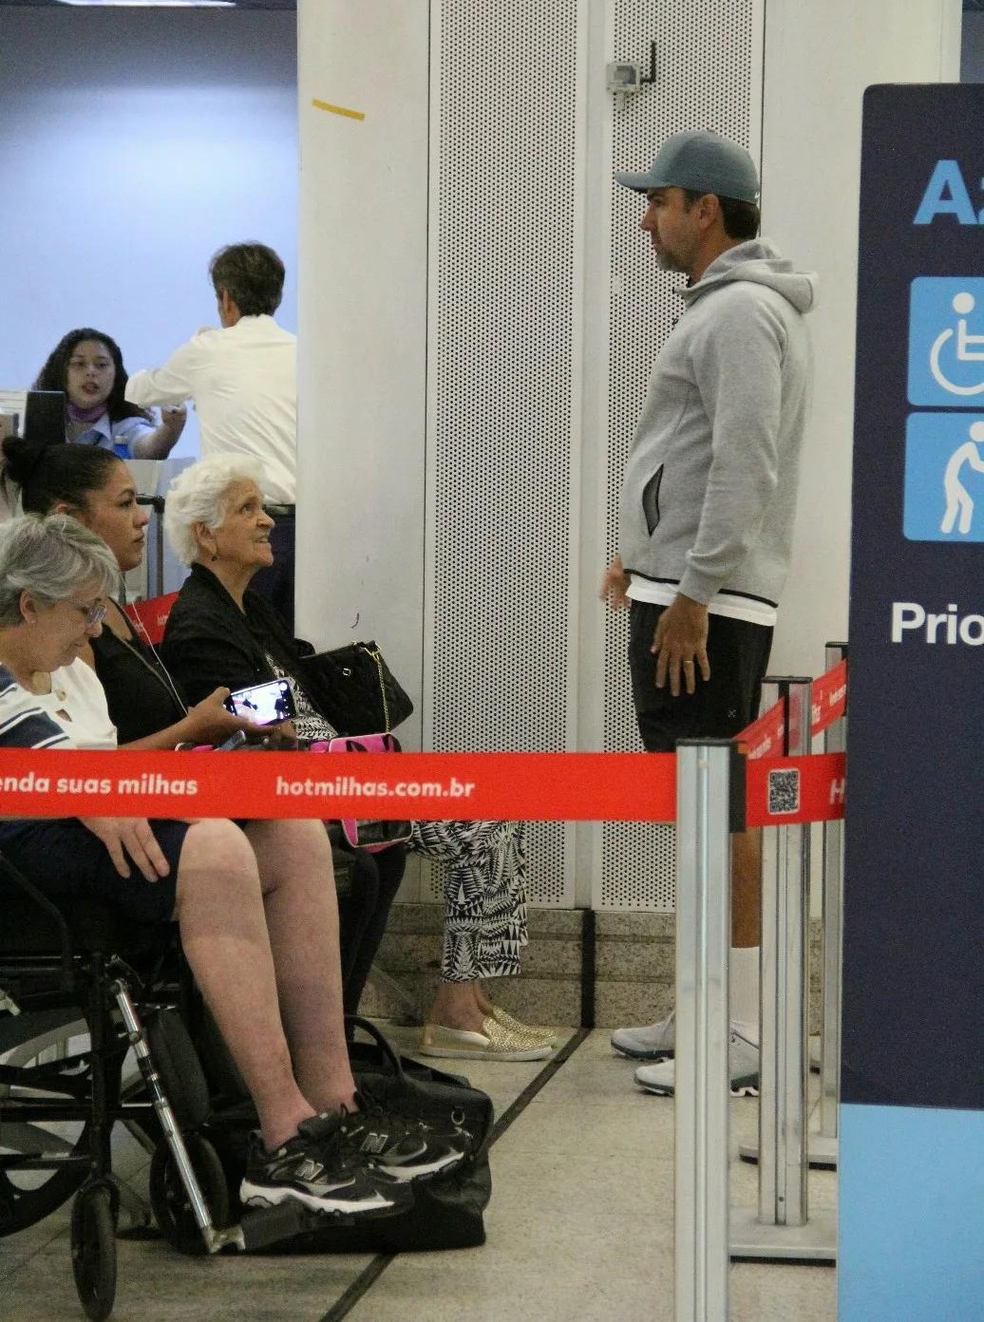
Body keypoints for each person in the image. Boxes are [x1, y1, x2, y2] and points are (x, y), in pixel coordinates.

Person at [0, 513, 468, 1217]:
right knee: (217, 847)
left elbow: (103, 777)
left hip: (104, 836)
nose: (94, 628)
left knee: (290, 831)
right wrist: (104, 790)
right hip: (25, 876)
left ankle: (333, 1101)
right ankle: (281, 1133)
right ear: (29, 604)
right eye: (83, 611)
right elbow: (66, 779)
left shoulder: (72, 677)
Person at [160, 454, 559, 1060]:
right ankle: (457, 1009)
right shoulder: (200, 621)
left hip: (339, 770)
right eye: (249, 509)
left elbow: (299, 702)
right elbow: (260, 730)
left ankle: (468, 1000)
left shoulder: (249, 606)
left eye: (262, 507)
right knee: (482, 822)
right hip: (301, 788)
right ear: (205, 535)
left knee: (495, 801)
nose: (268, 521)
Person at [0, 435, 398, 1018]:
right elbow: (88, 757)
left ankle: (320, 1055)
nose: (142, 518)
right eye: (125, 502)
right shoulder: (88, 638)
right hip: (107, 821)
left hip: (155, 792)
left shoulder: (165, 614)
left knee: (343, 840)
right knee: (284, 843)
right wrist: (197, 735)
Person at [600, 130, 815, 1095]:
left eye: (660, 200)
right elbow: (693, 459)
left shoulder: (736, 317)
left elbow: (745, 462)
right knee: (699, 809)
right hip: (689, 588)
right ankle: (709, 1007)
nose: (647, 217)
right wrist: (642, 561)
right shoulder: (726, 311)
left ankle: (746, 1030)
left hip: (706, 604)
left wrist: (689, 592)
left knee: (720, 808)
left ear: (707, 211)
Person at [124, 242, 298, 631]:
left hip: (239, 530)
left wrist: (198, 341)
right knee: (290, 652)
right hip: (303, 532)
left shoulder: (207, 349)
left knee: (238, 650)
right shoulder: (302, 351)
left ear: (225, 298)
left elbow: (140, 391)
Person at [34, 329, 187, 459]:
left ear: (116, 374)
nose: (91, 372)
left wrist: (171, 427)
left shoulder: (126, 427)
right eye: (79, 364)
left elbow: (149, 449)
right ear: (61, 372)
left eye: (101, 365)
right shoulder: (37, 423)